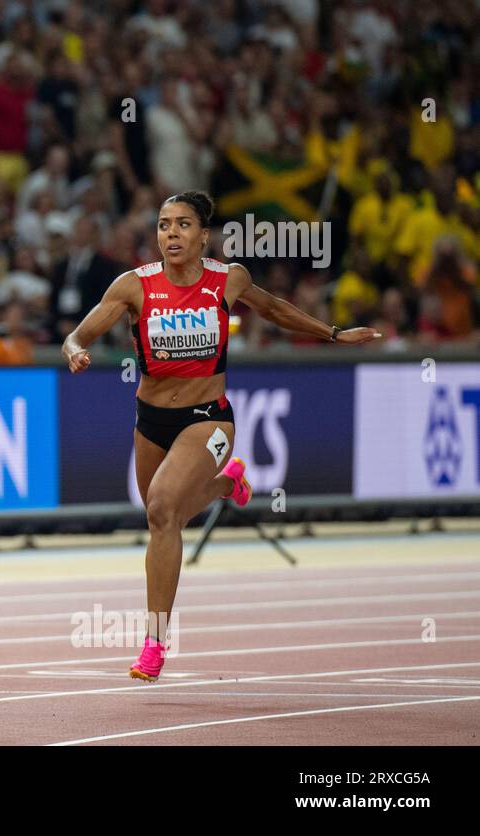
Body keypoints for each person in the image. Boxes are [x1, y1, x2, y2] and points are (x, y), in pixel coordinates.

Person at [61, 190, 380, 681]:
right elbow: (80, 333)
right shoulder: (133, 287)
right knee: (162, 517)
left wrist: (334, 334)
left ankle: (153, 643)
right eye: (164, 225)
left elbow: (273, 309)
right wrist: (74, 348)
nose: (171, 233)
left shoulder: (227, 279)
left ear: (202, 235)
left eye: (183, 225)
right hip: (150, 419)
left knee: (163, 508)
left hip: (208, 416)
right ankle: (227, 484)